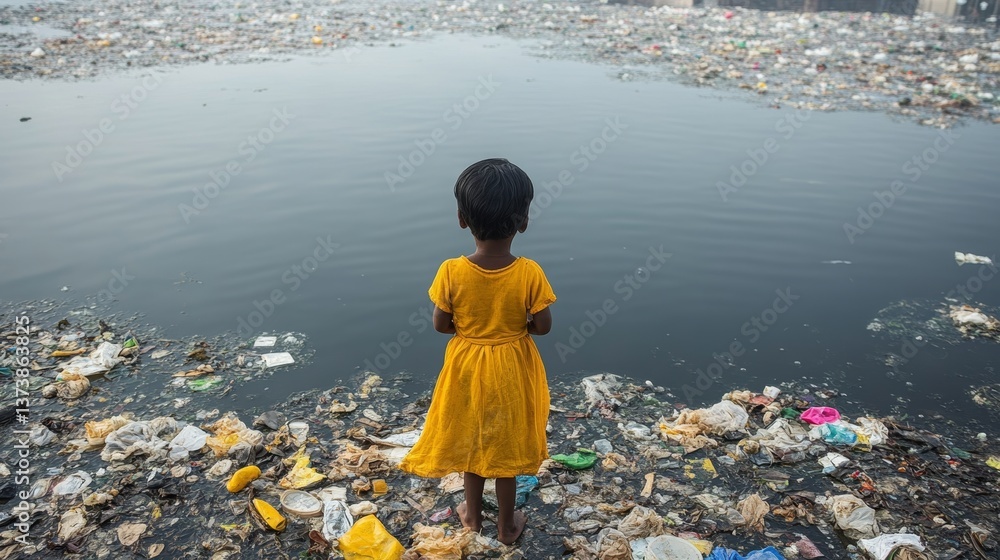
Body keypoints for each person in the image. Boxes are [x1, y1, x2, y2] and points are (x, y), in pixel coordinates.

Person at [398, 158, 556, 545]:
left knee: (473, 442)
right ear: (523, 221)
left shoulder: (451, 271)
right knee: (504, 449)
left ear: (461, 219)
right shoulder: (529, 272)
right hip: (513, 366)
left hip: (467, 364)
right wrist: (518, 327)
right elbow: (544, 326)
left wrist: (468, 331)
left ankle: (471, 519)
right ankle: (506, 527)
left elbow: (440, 324)